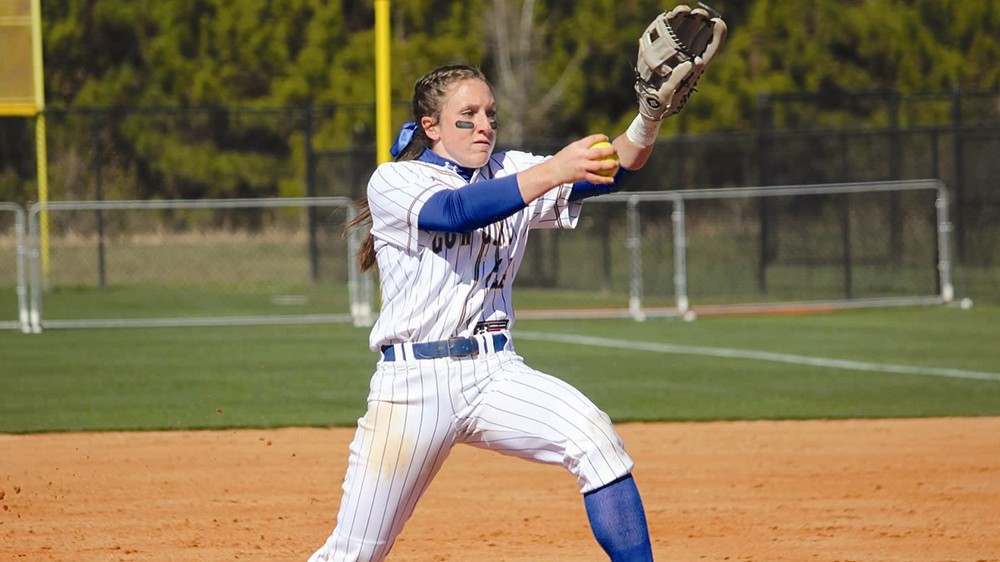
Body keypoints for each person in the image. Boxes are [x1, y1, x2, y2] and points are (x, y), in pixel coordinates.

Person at [308, 63, 668, 562]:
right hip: (414, 385)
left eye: (491, 115)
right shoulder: (393, 180)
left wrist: (649, 116)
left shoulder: (509, 168)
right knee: (353, 553)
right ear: (430, 126)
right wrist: (553, 169)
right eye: (468, 115)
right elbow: (456, 211)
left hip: (494, 372)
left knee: (595, 440)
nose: (484, 125)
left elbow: (611, 173)